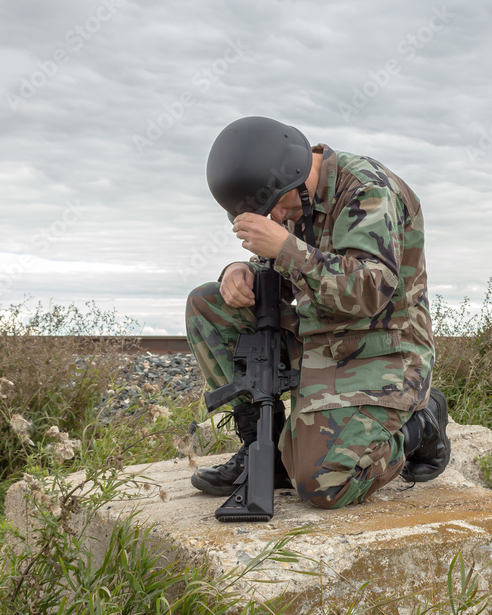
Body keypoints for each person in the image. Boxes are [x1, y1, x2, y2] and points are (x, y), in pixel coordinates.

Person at [185, 116, 449, 509]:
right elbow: (288, 279)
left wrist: (285, 248)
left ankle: (422, 421)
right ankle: (264, 447)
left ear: (291, 179)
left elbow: (370, 292)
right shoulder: (292, 204)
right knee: (207, 304)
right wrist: (243, 273)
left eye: (273, 211)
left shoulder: (366, 189)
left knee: (324, 483)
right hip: (321, 336)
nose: (277, 221)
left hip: (383, 349)